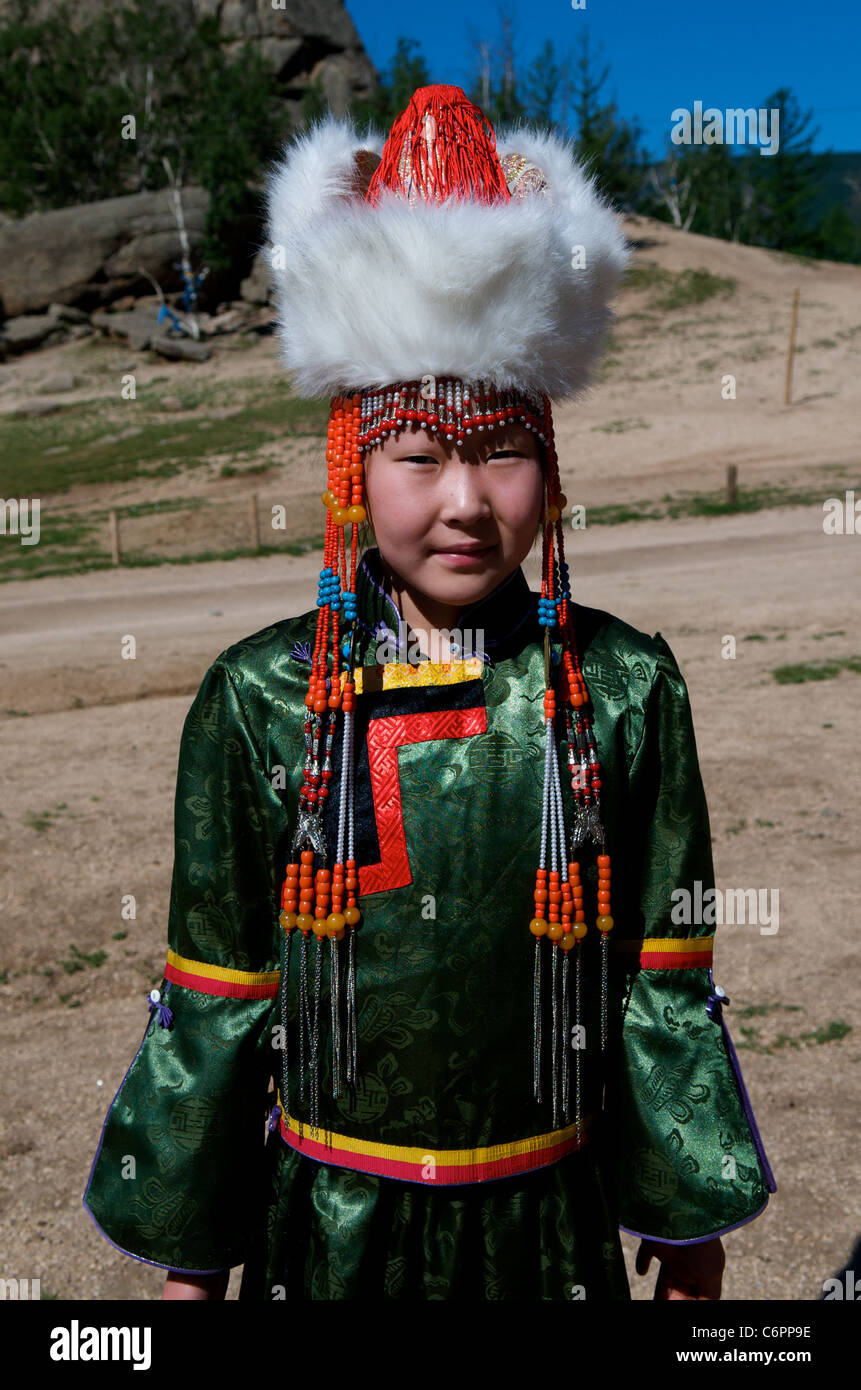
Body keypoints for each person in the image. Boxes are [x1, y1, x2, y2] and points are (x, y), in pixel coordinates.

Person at [83, 85, 775, 1301]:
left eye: (501, 449)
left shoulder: (620, 686)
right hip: (332, 1227)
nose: (465, 501)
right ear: (353, 464)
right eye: (419, 455)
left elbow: (660, 970)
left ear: (551, 472)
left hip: (547, 1223)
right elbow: (221, 988)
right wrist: (194, 1258)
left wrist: (688, 1222)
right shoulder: (261, 695)